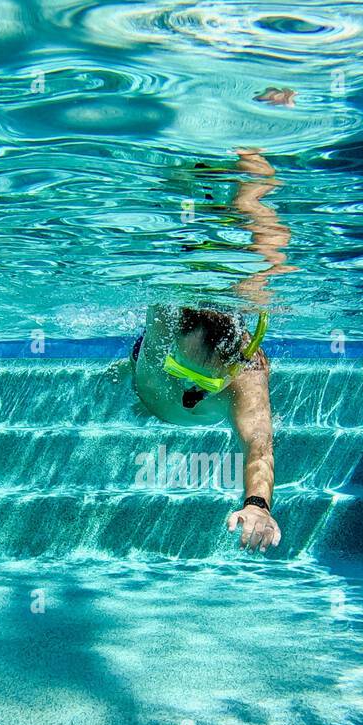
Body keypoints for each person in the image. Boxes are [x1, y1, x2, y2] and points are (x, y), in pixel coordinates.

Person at [127, 150, 292, 551]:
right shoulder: (163, 326)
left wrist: (258, 505)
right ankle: (187, 171)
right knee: (191, 225)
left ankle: (250, 156)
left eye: (211, 380)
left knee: (261, 231)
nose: (196, 389)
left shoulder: (246, 371)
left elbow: (259, 445)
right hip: (146, 360)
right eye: (184, 371)